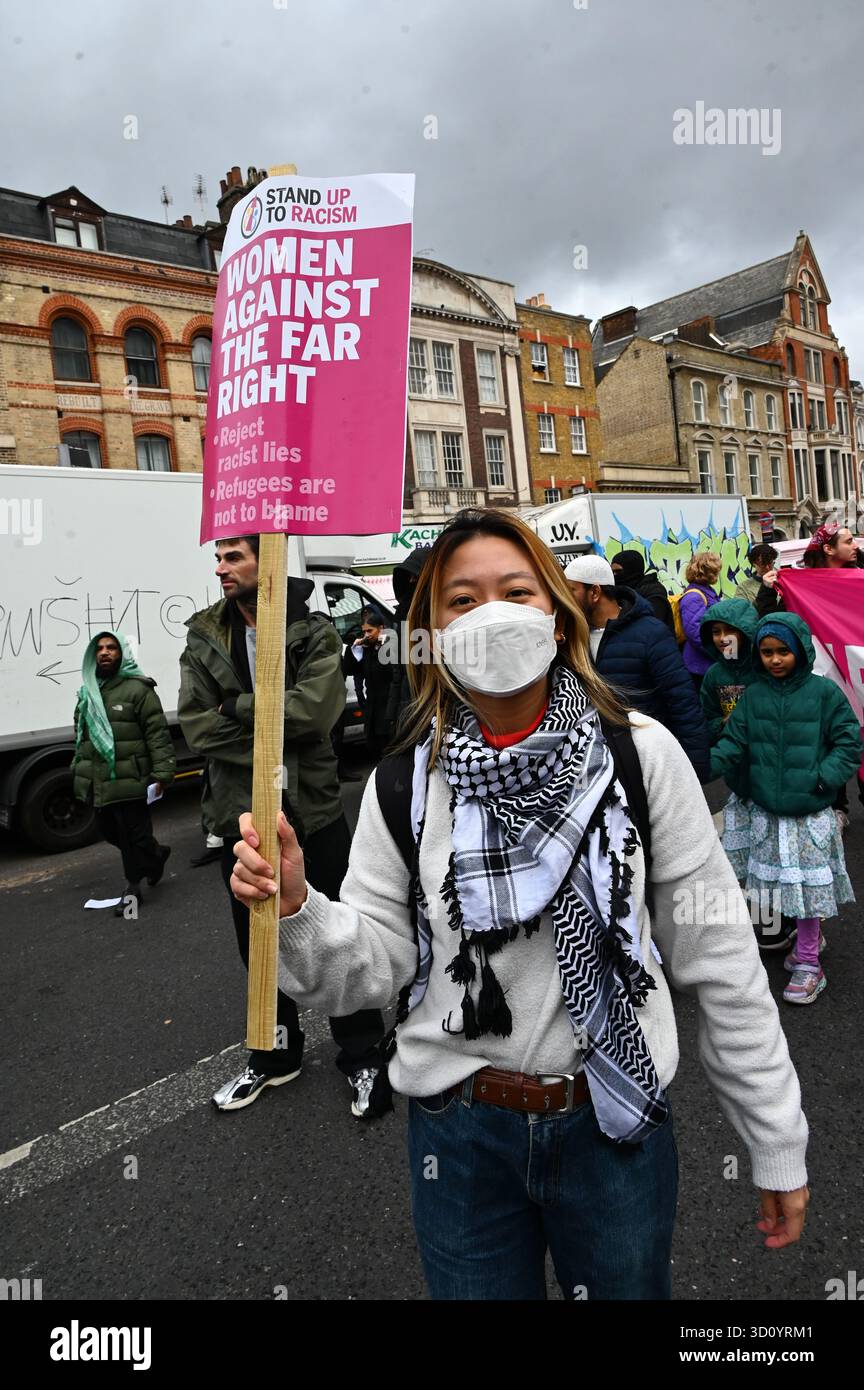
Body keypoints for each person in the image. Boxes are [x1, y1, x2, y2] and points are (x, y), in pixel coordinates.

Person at [231, 507, 809, 1302]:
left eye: (517, 590)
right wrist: (296, 909)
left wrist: (776, 1143)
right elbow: (366, 976)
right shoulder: (404, 784)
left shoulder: (640, 755)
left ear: (559, 613)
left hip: (616, 1120)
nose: (493, 613)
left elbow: (723, 962)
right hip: (458, 1137)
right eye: (462, 600)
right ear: (429, 631)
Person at [178, 535, 386, 1118]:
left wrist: (237, 709)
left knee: (338, 927)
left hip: (311, 808)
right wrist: (269, 720)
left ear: (264, 561)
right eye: (218, 558)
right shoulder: (205, 635)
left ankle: (364, 1052)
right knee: (256, 937)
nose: (220, 568)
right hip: (238, 810)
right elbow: (196, 726)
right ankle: (274, 1055)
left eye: (233, 557)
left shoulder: (313, 629)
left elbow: (318, 713)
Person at [710, 614, 860, 1005]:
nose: (775, 660)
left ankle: (810, 962)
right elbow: (734, 742)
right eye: (767, 652)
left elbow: (849, 743)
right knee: (781, 885)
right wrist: (702, 767)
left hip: (808, 813)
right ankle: (809, 938)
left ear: (800, 651)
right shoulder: (754, 697)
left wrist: (822, 778)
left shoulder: (825, 693)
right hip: (767, 811)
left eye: (783, 651)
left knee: (805, 889)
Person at [565, 554, 710, 782]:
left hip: (650, 765)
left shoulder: (650, 633)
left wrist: (694, 768)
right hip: (602, 771)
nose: (563, 599)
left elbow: (682, 702)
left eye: (570, 590)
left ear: (594, 592)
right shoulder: (572, 639)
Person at [71, 631, 174, 918]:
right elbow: (82, 738)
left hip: (132, 778)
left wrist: (162, 772)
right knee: (110, 832)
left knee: (133, 836)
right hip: (101, 780)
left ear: (122, 654)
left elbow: (157, 733)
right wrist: (79, 772)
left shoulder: (138, 689)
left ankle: (132, 889)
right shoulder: (87, 691)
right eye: (100, 649)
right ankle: (156, 855)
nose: (104, 653)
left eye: (111, 648)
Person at [386, 545, 430, 737]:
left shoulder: (438, 613)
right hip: (407, 703)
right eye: (408, 576)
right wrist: (392, 714)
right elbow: (397, 671)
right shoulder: (403, 613)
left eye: (416, 576)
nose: (412, 581)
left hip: (432, 705)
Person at [344, 606, 394, 764]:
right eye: (364, 631)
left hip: (387, 709)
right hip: (372, 709)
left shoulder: (391, 646)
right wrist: (355, 651)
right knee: (374, 748)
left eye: (370, 631)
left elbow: (393, 676)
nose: (366, 635)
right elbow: (350, 670)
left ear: (381, 628)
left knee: (388, 751)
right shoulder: (366, 649)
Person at [678, 551, 721, 690]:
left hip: (708, 664)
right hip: (701, 667)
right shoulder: (694, 596)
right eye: (715, 569)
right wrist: (722, 653)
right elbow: (695, 634)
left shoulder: (706, 591)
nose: (717, 573)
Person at [610, 548, 674, 630]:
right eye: (613, 572)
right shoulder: (620, 594)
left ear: (632, 569)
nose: (615, 575)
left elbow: (652, 626)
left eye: (618, 571)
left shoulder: (654, 593)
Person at [735, 543, 785, 617]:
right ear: (753, 564)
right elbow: (742, 613)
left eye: (770, 563)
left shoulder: (782, 580)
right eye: (763, 564)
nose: (768, 568)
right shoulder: (743, 587)